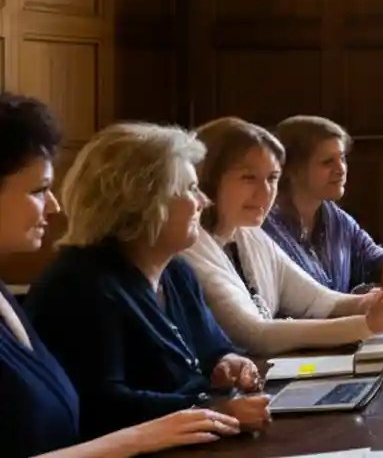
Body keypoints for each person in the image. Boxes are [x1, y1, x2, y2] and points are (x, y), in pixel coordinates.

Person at [23, 120, 270, 442]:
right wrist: (212, 408)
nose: (203, 202)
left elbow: (214, 349)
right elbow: (102, 407)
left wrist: (230, 362)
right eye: (189, 190)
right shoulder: (79, 286)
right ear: (141, 201)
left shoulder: (176, 271)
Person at [182, 117, 383, 356]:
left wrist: (371, 303)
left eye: (272, 178)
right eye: (248, 178)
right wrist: (368, 324)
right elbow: (256, 336)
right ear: (207, 179)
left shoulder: (248, 234)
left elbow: (319, 301)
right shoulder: (189, 245)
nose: (265, 192)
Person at [264, 115, 383, 292]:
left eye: (342, 158)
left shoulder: (334, 217)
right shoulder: (265, 227)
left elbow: (374, 256)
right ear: (292, 170)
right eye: (328, 162)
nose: (341, 169)